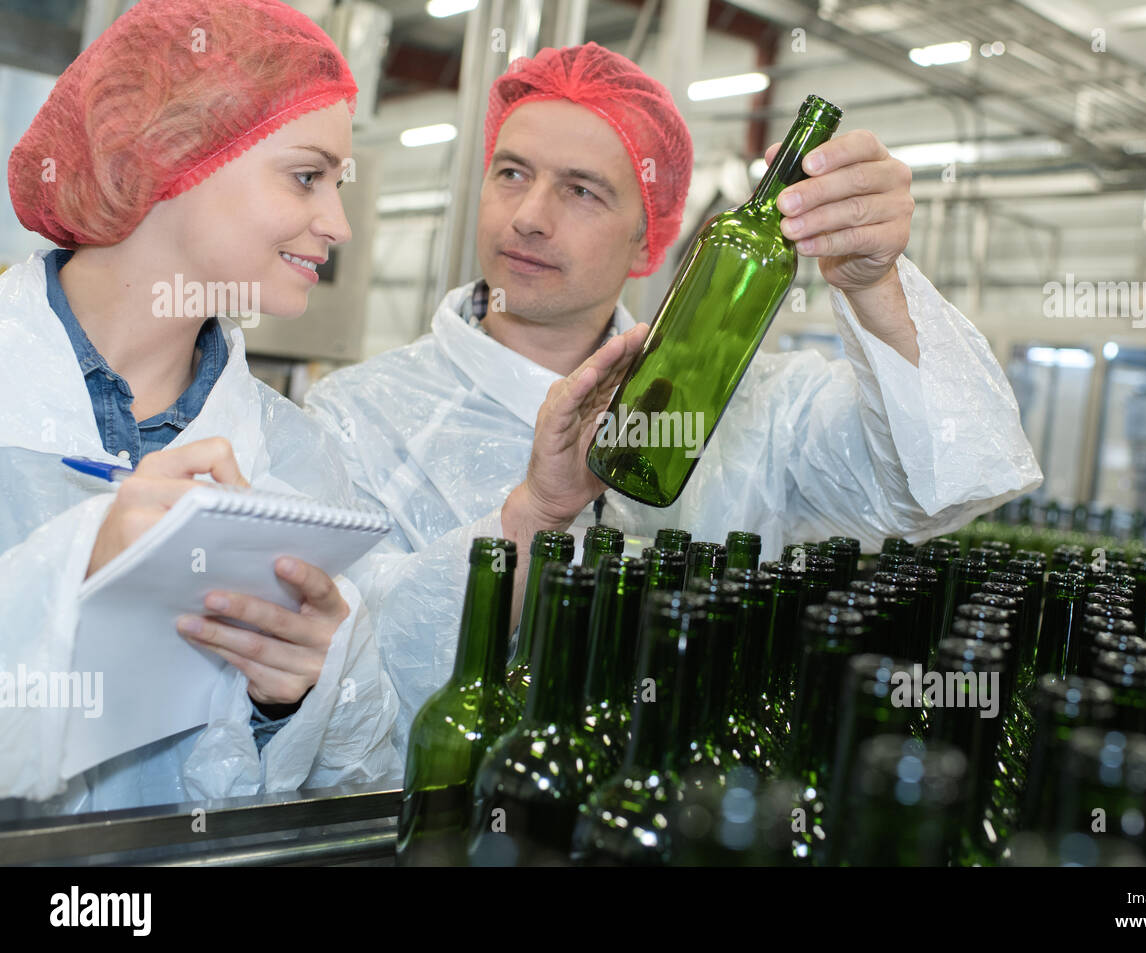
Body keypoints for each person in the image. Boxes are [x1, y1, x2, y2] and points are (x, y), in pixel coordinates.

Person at [306, 42, 1044, 751]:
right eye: (510, 173)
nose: (529, 214)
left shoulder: (756, 409)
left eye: (581, 189)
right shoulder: (356, 416)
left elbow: (946, 480)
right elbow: (341, 682)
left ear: (647, 241)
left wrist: (874, 283)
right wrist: (530, 517)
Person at [0, 0, 400, 814]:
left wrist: (294, 698)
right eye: (306, 176)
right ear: (173, 150)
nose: (338, 223)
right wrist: (77, 560)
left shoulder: (296, 458)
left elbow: (364, 783)